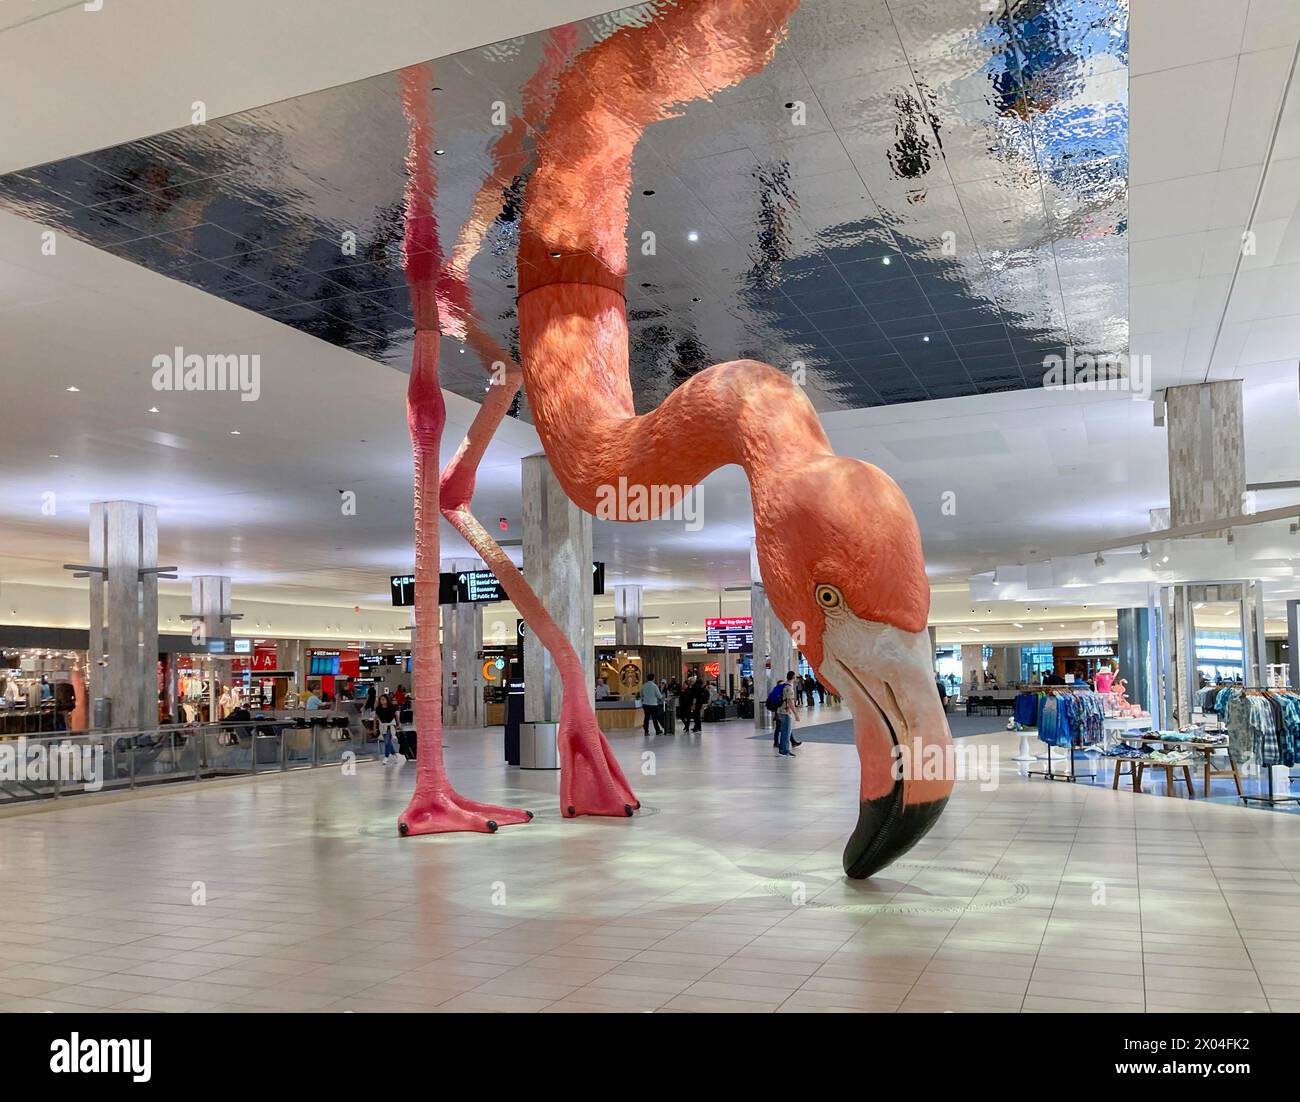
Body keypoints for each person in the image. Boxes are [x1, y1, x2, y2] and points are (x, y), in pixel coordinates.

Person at [777, 670, 800, 756]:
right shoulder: (789, 688)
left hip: (780, 711)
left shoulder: (783, 685)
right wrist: (796, 714)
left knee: (784, 731)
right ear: (793, 677)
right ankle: (785, 751)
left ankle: (782, 749)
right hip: (785, 712)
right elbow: (790, 701)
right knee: (786, 732)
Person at [375, 693, 401, 765]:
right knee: (388, 742)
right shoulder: (378, 708)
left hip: (390, 726)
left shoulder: (392, 707)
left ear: (387, 700)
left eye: (383, 699)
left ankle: (386, 757)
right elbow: (375, 718)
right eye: (380, 700)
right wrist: (374, 728)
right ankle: (394, 754)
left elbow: (396, 715)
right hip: (383, 726)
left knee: (387, 742)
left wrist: (398, 723)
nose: (382, 701)